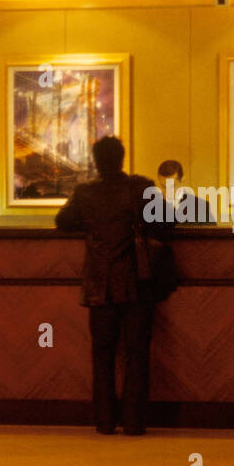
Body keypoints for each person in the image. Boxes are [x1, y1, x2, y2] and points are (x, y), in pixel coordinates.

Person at [56, 137, 173, 435]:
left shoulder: (85, 193)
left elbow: (63, 221)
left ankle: (105, 420)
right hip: (137, 281)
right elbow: (167, 224)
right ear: (122, 158)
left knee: (102, 354)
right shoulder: (141, 188)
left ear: (95, 161)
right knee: (137, 353)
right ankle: (134, 422)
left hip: (100, 284)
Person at [157, 159, 216, 224]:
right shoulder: (153, 207)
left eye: (172, 186)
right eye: (163, 186)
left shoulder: (201, 207)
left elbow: (211, 233)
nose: (167, 192)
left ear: (182, 180)